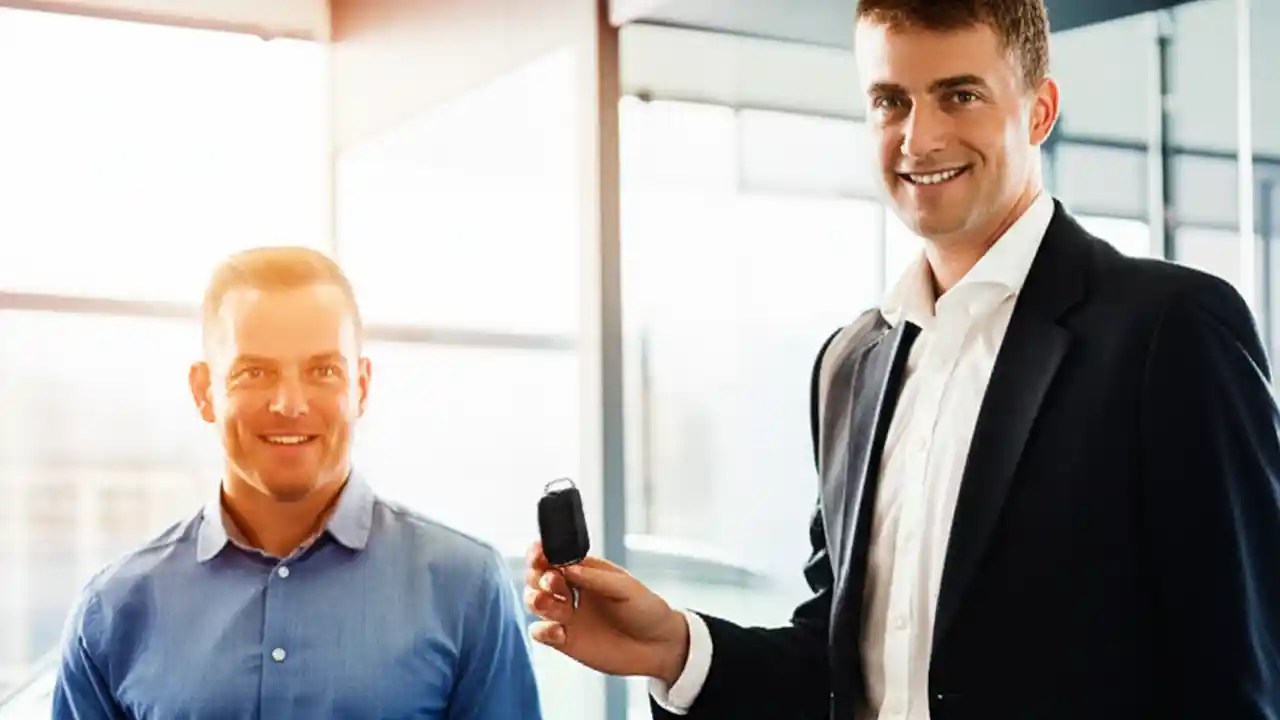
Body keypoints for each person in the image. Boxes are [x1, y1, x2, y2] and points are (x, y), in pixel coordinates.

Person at [524, 0, 1280, 718]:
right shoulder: (850, 365)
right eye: (890, 100)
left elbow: (1240, 681)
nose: (919, 138)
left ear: (1040, 110)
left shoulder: (1170, 332)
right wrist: (675, 648)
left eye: (958, 95)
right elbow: (837, 669)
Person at [52, 247, 542, 719]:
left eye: (323, 371)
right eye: (255, 372)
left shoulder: (466, 588)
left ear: (361, 387)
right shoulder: (113, 610)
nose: (289, 403)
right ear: (204, 392)